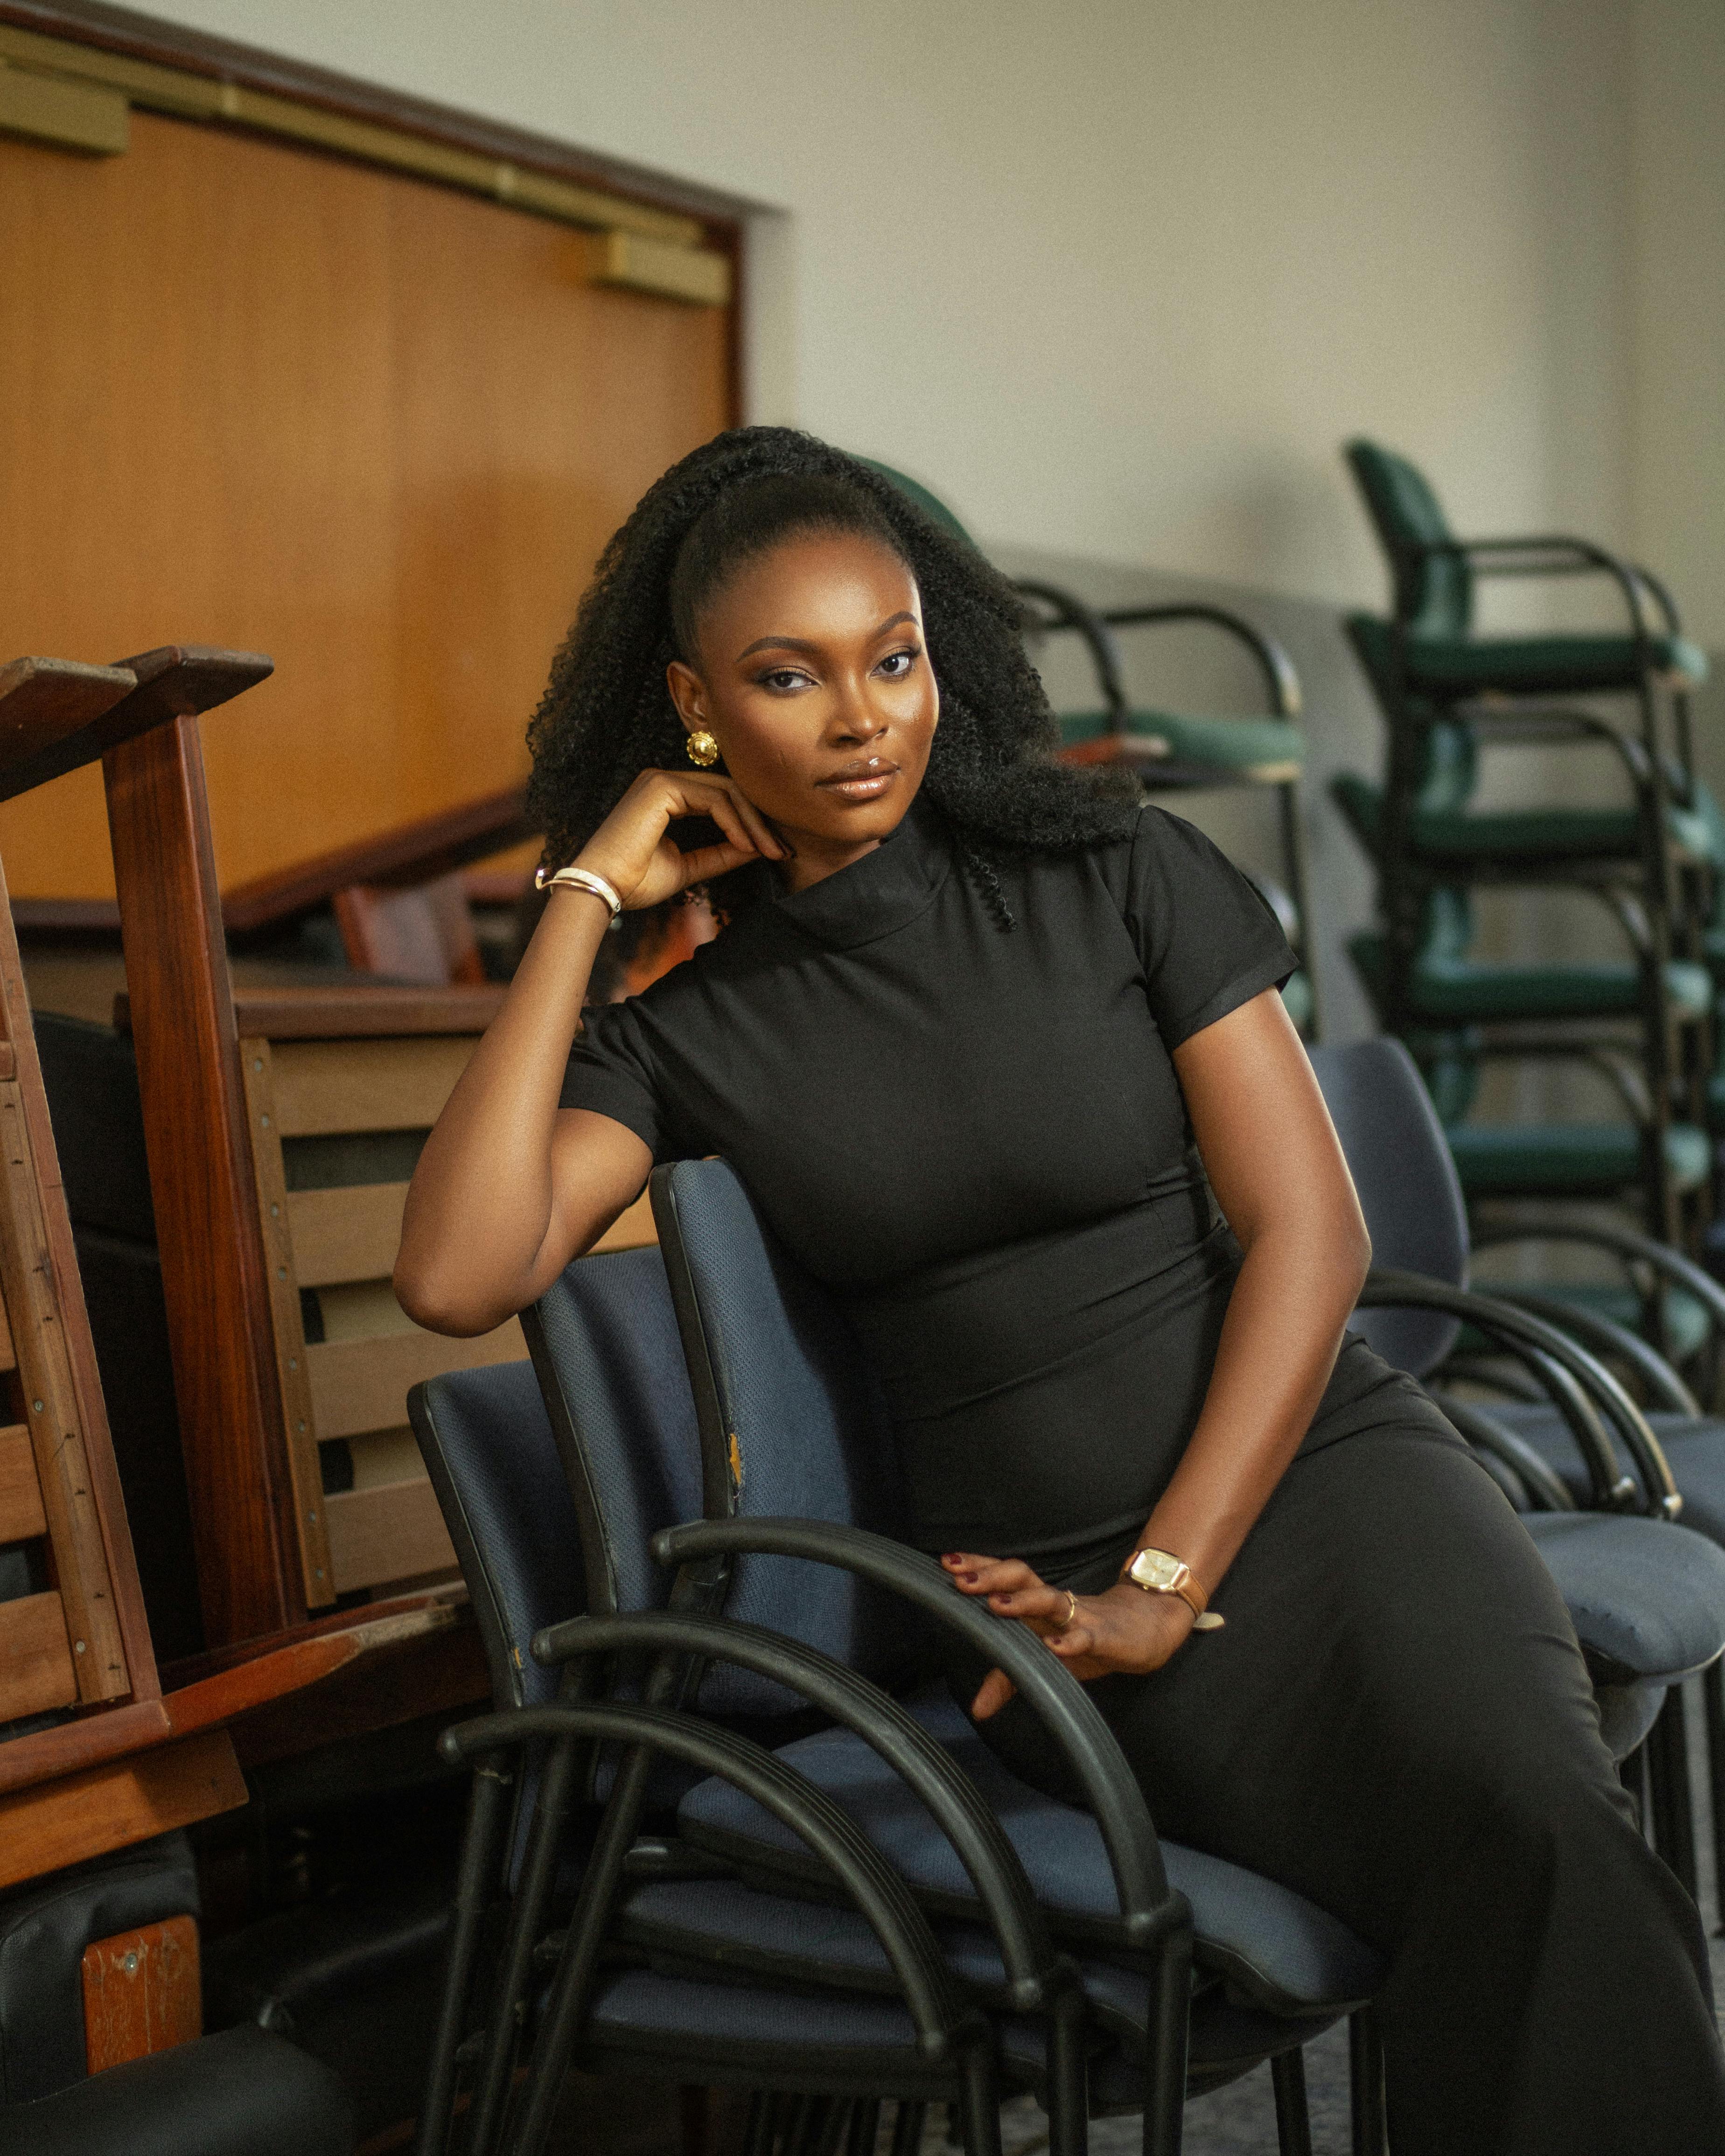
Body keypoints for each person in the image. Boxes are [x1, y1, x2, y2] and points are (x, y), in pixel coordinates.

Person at [396, 426, 1725, 2152]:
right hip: (1045, 1613)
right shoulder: (694, 1034)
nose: (863, 717)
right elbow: (455, 1270)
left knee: (1535, 1823)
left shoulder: (1114, 872)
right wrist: (581, 897)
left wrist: (1174, 1572)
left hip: (1318, 1481)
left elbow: (1310, 1233)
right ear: (695, 706)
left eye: (894, 657)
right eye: (788, 680)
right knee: (1468, 1870)